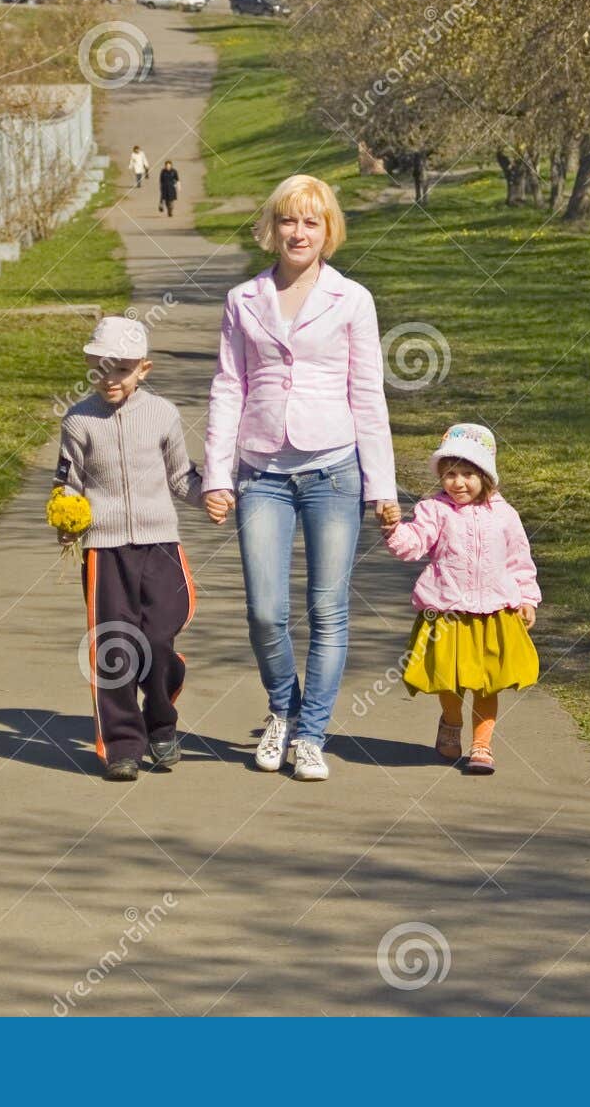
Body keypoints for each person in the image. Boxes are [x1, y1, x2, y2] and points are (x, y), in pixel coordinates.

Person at [203, 174, 399, 782]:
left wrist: (382, 487)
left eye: (312, 222)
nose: (299, 232)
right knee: (265, 611)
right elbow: (228, 386)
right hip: (261, 470)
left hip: (332, 471)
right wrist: (217, 475)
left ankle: (311, 734)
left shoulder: (353, 300)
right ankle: (282, 710)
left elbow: (368, 394)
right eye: (289, 220)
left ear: (328, 231)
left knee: (328, 608)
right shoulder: (243, 299)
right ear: (273, 227)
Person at [54, 317, 205, 782]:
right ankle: (122, 743)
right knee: (114, 645)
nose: (110, 378)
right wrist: (65, 518)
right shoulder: (78, 419)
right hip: (104, 549)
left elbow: (182, 477)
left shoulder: (163, 414)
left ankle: (161, 721)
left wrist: (212, 493)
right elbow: (67, 485)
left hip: (159, 543)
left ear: (144, 368)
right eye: (101, 368)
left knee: (160, 636)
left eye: (121, 369)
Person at [381, 423, 541, 774]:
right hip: (448, 614)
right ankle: (451, 724)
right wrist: (394, 531)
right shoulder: (434, 511)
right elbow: (414, 544)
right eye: (450, 474)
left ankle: (482, 745)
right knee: (449, 681)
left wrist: (527, 597)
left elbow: (519, 560)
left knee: (487, 682)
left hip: (494, 614)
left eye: (468, 473)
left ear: (486, 476)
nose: (458, 482)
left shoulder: (505, 515)